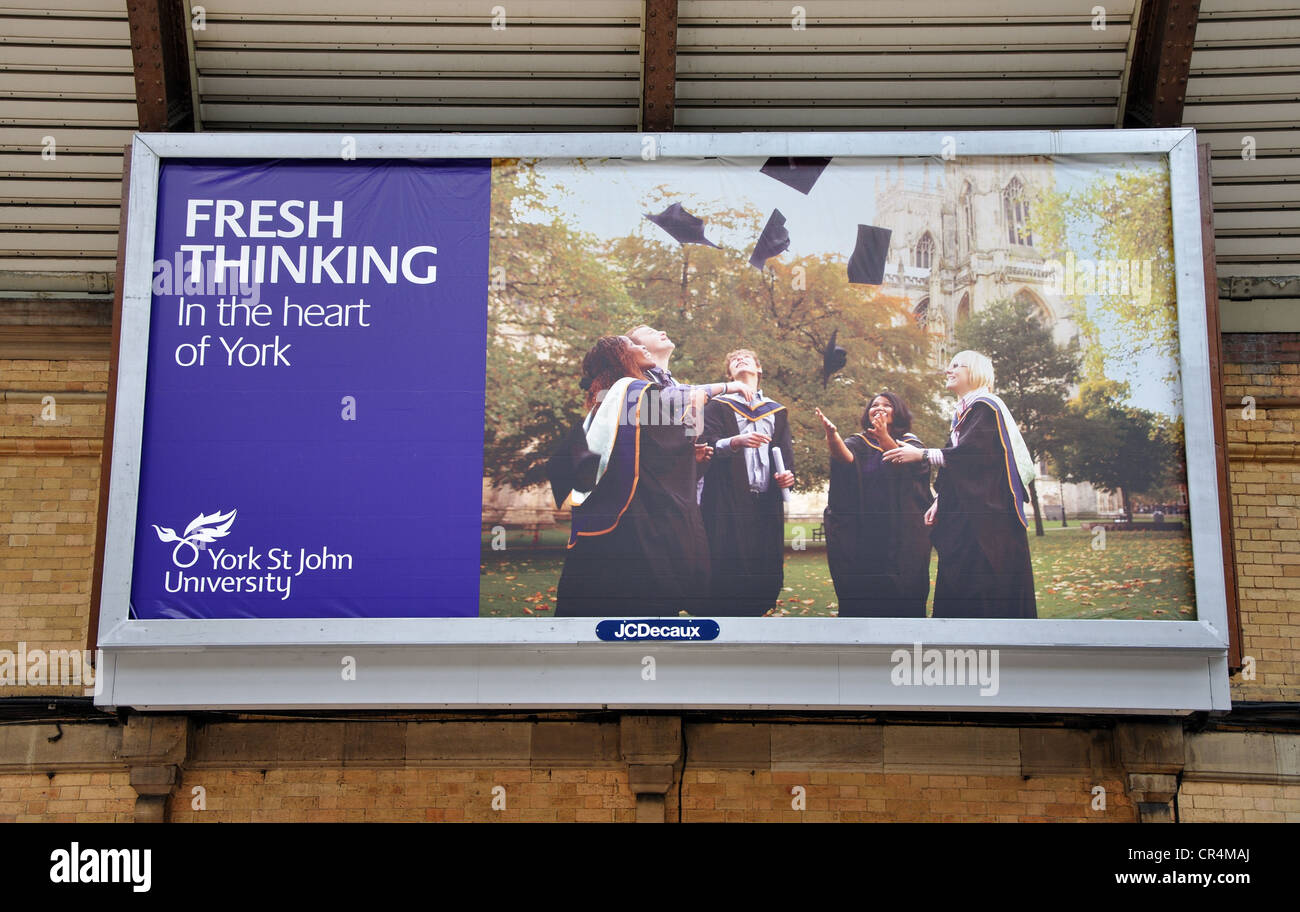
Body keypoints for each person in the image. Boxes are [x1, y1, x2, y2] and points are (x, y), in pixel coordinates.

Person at [545, 335, 710, 617]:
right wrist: (695, 410)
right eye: (631, 344)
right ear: (622, 356)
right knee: (640, 610)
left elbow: (641, 450)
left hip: (602, 527)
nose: (640, 346)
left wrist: (685, 453)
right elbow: (669, 444)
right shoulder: (638, 390)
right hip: (636, 523)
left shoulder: (606, 398)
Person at [882, 350, 1038, 619]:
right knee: (961, 584)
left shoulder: (987, 407)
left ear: (975, 371)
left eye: (957, 365)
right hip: (968, 517)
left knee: (983, 588)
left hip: (988, 523)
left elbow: (975, 455)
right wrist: (940, 501)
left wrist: (921, 454)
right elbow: (961, 467)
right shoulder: (964, 414)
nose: (948, 370)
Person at [815, 392, 931, 618]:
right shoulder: (859, 441)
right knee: (863, 594)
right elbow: (845, 459)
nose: (879, 408)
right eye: (874, 405)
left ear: (898, 412)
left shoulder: (911, 443)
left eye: (886, 405)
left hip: (902, 535)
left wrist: (884, 436)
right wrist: (832, 436)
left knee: (903, 592)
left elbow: (901, 461)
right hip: (865, 533)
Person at [700, 349, 795, 617]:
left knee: (762, 565)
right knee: (727, 563)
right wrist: (735, 442)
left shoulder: (777, 410)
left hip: (765, 503)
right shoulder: (716, 405)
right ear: (729, 374)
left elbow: (785, 455)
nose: (740, 360)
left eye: (746, 358)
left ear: (759, 369)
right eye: (734, 359)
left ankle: (755, 620)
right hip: (726, 499)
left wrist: (788, 477)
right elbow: (703, 446)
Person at [627, 324, 755, 498]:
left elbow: (692, 433)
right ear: (639, 349)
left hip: (684, 490)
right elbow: (663, 397)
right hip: (648, 490)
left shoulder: (680, 387)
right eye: (651, 332)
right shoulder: (635, 382)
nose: (663, 332)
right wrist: (725, 387)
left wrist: (692, 450)